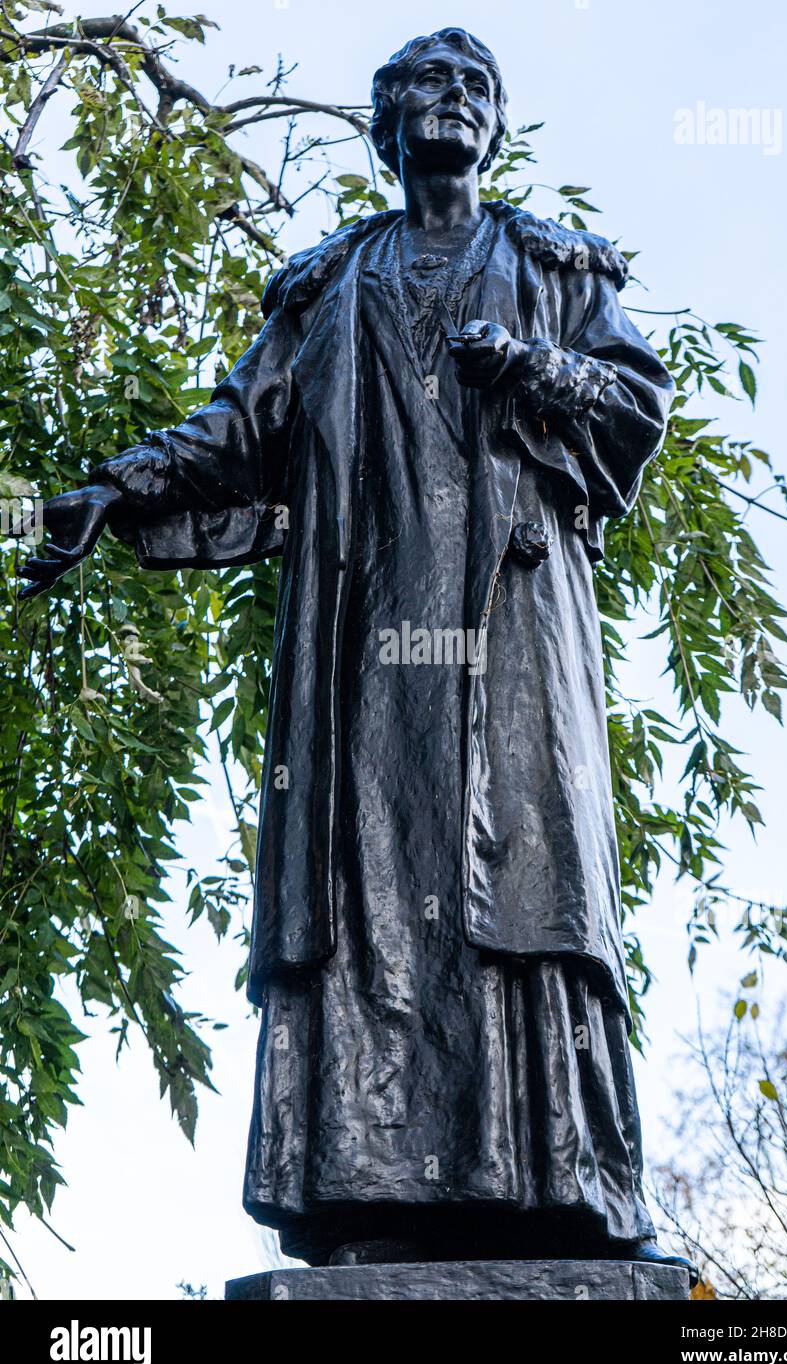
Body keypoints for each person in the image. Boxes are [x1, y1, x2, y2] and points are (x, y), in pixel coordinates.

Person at [21, 28, 695, 1280]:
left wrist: (535, 367)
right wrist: (110, 490)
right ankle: (368, 1181)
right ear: (386, 129)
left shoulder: (551, 270)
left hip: (507, 649)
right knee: (370, 894)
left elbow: (634, 405)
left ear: (492, 127)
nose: (450, 103)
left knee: (525, 888)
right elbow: (240, 427)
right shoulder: (329, 285)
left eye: (474, 88)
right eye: (424, 89)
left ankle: (552, 1182)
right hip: (366, 653)